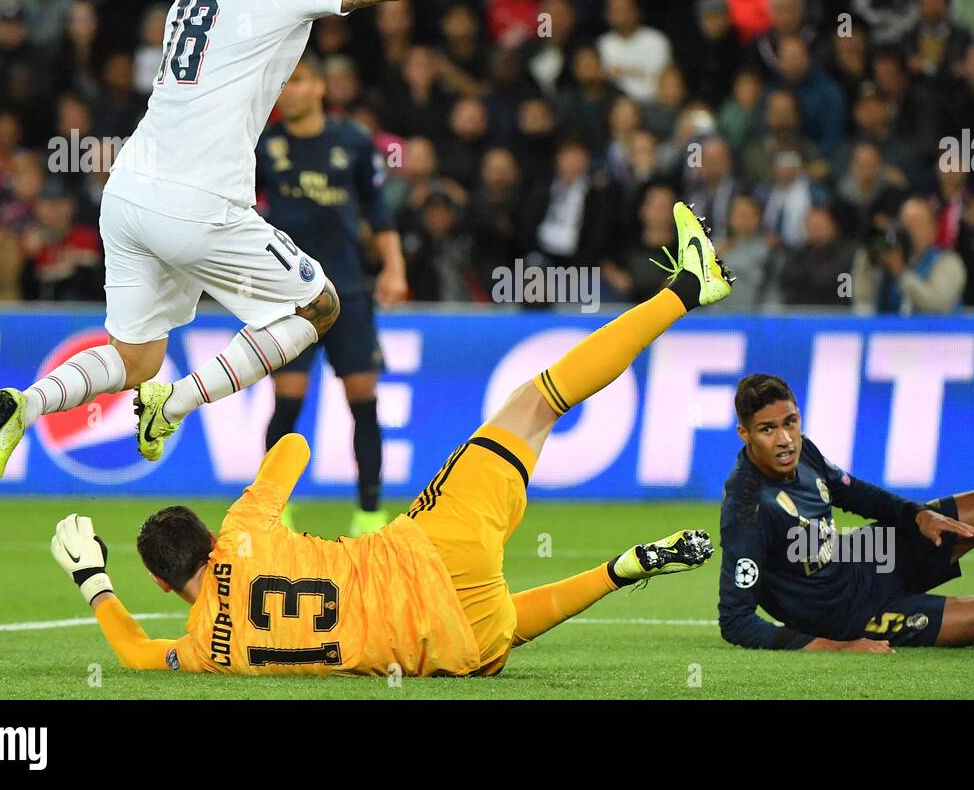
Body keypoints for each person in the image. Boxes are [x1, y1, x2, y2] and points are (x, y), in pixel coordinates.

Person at [0, 0, 547, 498]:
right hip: (198, 201)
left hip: (130, 191)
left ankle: (25, 406)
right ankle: (175, 404)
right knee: (317, 306)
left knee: (134, 359)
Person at [50, 203, 730, 677]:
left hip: (449, 651)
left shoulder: (205, 651)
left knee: (495, 622)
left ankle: (620, 570)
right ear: (208, 542)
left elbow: (138, 654)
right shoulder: (244, 531)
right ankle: (688, 288)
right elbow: (294, 451)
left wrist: (91, 580)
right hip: (429, 553)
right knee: (537, 403)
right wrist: (240, 493)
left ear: (164, 587)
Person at [718, 374, 974, 651]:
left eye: (791, 422)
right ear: (745, 434)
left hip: (866, 556)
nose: (786, 440)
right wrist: (834, 647)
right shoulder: (746, 507)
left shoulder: (806, 452)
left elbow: (860, 497)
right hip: (853, 616)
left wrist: (916, 515)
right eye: (768, 429)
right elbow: (736, 622)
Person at [257, 54, 407, 537]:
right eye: (283, 83)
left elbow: (378, 213)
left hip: (347, 291)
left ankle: (368, 512)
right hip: (288, 296)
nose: (289, 91)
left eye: (298, 81)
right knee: (288, 400)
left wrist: (394, 267)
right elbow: (235, 210)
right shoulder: (264, 145)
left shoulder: (353, 141)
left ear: (320, 86)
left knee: (363, 400)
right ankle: (274, 508)